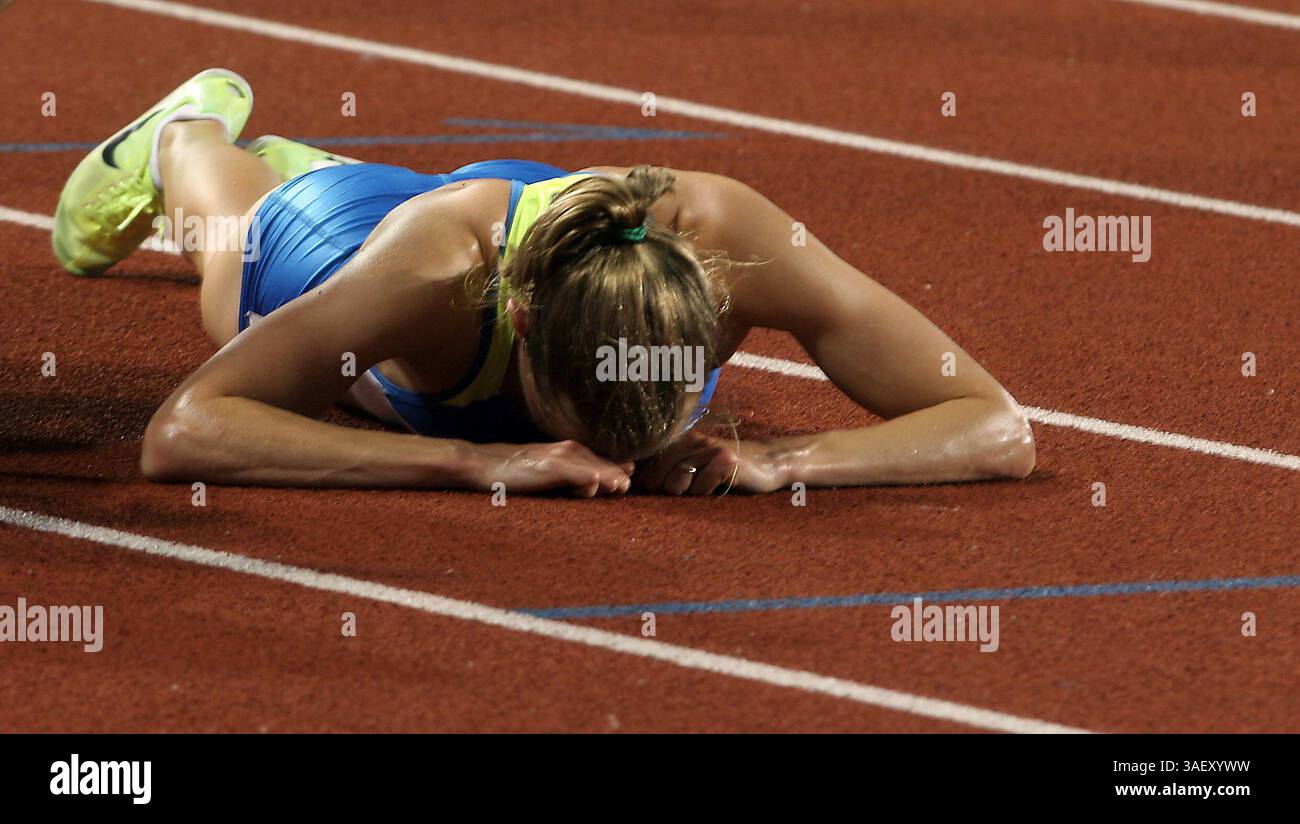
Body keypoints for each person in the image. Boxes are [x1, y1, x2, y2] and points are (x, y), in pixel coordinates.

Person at [53, 69, 1035, 497]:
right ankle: (186, 139)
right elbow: (184, 428)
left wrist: (791, 460)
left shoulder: (733, 240)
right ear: (524, 323)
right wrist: (478, 466)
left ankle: (303, 162)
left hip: (529, 219)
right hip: (360, 243)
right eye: (585, 422)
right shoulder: (436, 278)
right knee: (228, 260)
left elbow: (993, 424)